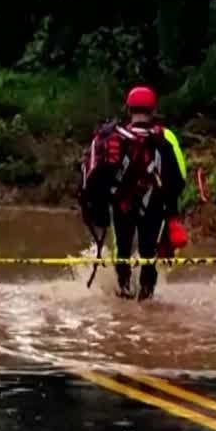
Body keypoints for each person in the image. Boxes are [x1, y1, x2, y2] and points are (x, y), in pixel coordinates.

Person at [79, 86, 188, 301]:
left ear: (128, 109)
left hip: (121, 204)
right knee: (149, 252)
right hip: (154, 204)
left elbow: (101, 175)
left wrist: (100, 205)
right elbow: (180, 177)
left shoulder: (114, 136)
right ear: (153, 110)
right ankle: (147, 299)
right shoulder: (166, 136)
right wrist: (171, 210)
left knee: (122, 251)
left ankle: (123, 294)